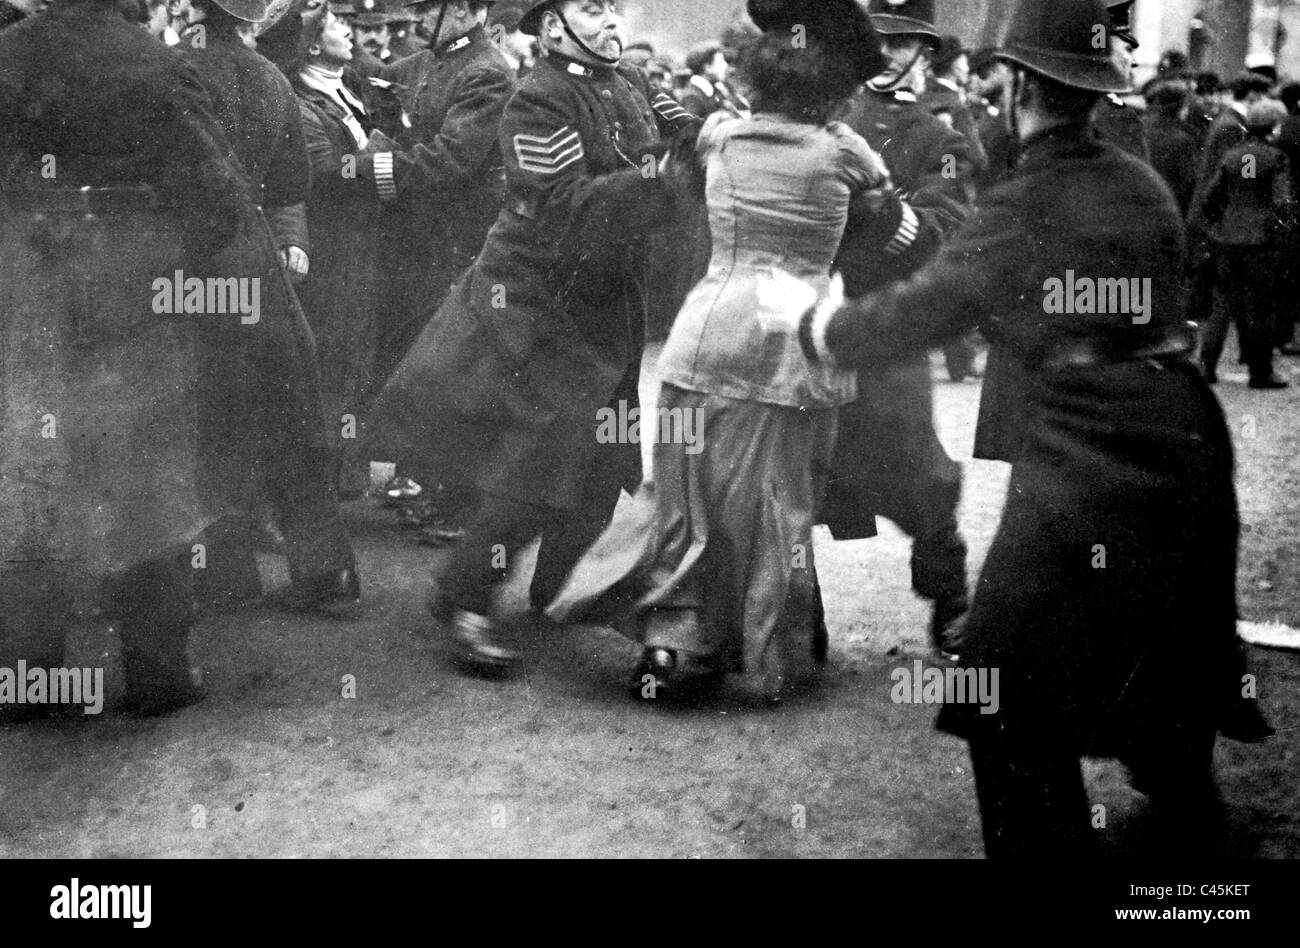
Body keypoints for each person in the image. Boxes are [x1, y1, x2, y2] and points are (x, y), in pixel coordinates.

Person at [801, 0, 1271, 858]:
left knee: (1002, 685)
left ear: (1018, 85)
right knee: (1167, 632)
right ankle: (1185, 816)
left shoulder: (1026, 197)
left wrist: (818, 331)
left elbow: (923, 311)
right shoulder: (1140, 183)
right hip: (1186, 431)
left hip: (1086, 446)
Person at [548, 0, 893, 702]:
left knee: (683, 492)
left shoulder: (719, 138)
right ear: (833, 91)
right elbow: (884, 223)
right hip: (789, 339)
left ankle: (673, 643)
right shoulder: (846, 153)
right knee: (773, 498)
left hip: (702, 332)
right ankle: (775, 640)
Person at [363, 0, 702, 674]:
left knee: (607, 450)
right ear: (552, 27)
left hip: (605, 299)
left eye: (612, 8)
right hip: (535, 296)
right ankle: (462, 596)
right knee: (543, 453)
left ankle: (564, 587)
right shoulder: (538, 99)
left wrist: (727, 133)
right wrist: (661, 179)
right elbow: (565, 210)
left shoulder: (629, 82)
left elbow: (688, 128)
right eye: (590, 8)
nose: (610, 21)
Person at [0, 0, 251, 716]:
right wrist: (165, 257)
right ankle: (155, 672)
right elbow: (218, 198)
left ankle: (28, 679)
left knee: (33, 470)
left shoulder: (10, 52)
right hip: (136, 277)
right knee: (150, 473)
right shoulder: (161, 63)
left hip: (33, 275)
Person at [180, 0, 361, 615]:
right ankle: (324, 571)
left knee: (215, 417)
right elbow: (291, 185)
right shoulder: (271, 78)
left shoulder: (176, 70)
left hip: (191, 258)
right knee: (292, 412)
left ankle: (228, 574)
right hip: (257, 255)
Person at [823, 0, 974, 654]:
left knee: (918, 474)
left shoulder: (940, 135)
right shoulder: (826, 116)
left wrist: (881, 212)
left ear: (925, 51)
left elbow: (940, 233)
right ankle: (793, 619)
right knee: (787, 472)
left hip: (889, 327)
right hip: (810, 321)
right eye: (875, 41)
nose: (884, 55)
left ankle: (950, 598)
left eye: (900, 41)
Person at [1192, 99, 1294, 390]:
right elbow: (1281, 202)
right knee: (1259, 307)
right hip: (1260, 241)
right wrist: (1280, 233)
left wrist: (1220, 224)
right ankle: (1260, 373)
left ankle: (1206, 365)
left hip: (1227, 237)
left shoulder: (1233, 155)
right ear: (1273, 127)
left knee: (1222, 304)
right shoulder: (1275, 158)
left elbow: (1211, 197)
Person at [1142, 82, 1198, 215]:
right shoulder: (1182, 139)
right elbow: (1188, 182)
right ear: (1181, 107)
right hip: (1170, 206)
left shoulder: (1143, 128)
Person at [679, 41, 750, 119]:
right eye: (721, 61)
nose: (726, 65)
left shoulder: (714, 91)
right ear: (708, 67)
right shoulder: (692, 97)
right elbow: (692, 129)